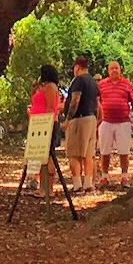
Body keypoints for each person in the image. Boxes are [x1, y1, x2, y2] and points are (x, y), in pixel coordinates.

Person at [96, 58, 133, 186]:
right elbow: (97, 102)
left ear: (120, 70)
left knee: (124, 151)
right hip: (106, 121)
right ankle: (104, 177)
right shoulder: (102, 84)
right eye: (112, 68)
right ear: (108, 71)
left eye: (116, 68)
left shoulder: (126, 84)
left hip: (123, 122)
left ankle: (124, 177)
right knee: (104, 151)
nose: (114, 70)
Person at [64, 54, 101, 192]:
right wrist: (96, 120)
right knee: (88, 153)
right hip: (91, 118)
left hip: (79, 118)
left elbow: (75, 100)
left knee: (74, 152)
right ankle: (88, 183)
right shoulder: (93, 82)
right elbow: (97, 104)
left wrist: (68, 119)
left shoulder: (78, 80)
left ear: (77, 67)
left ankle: (77, 184)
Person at [28, 63, 63, 198]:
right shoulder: (43, 87)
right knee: (41, 157)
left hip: (46, 125)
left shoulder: (50, 87)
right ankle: (42, 187)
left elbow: (49, 108)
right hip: (37, 125)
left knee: (48, 157)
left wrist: (45, 125)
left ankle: (48, 189)